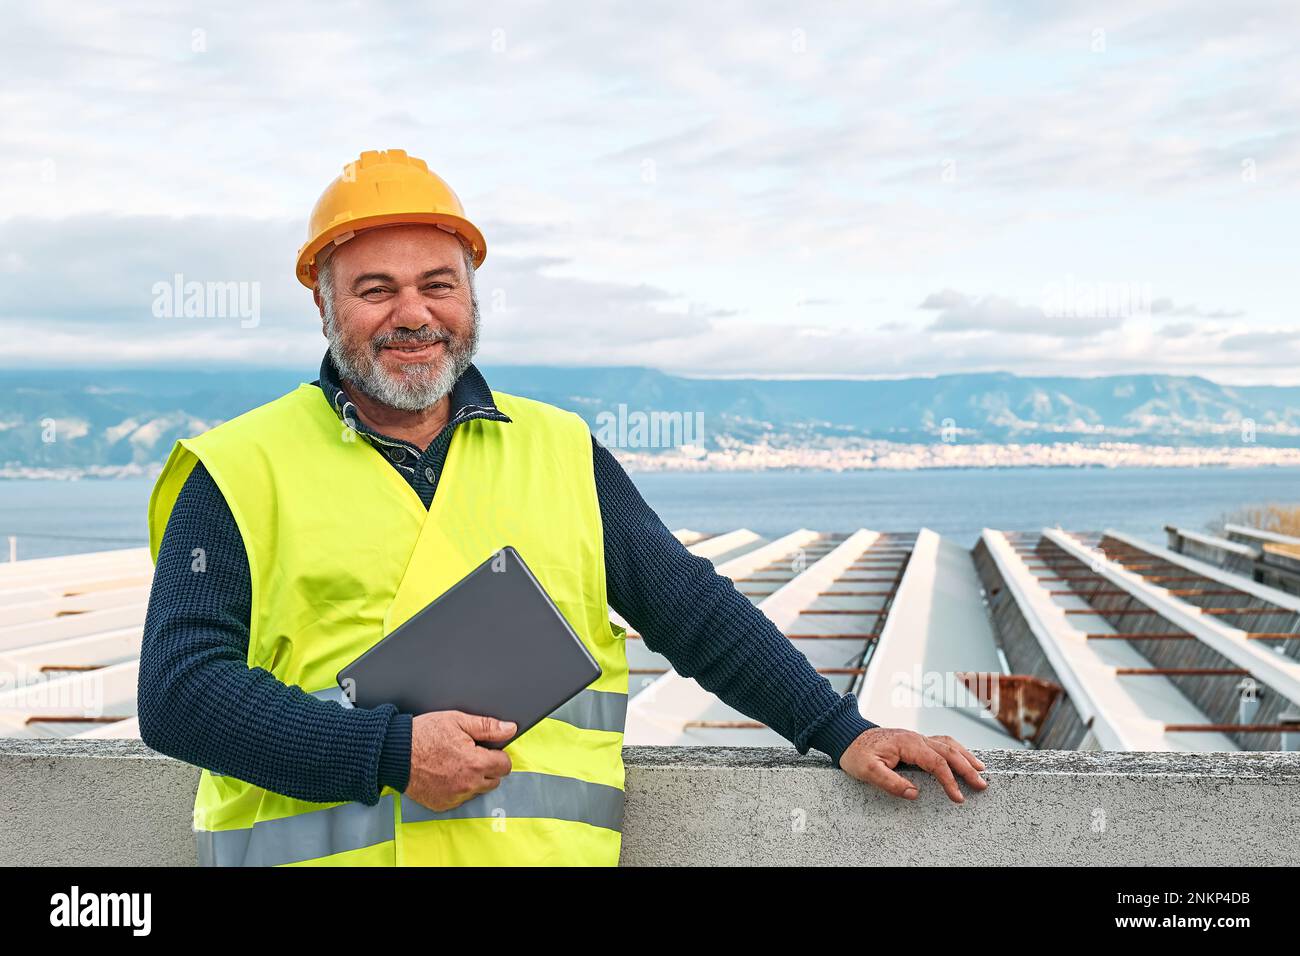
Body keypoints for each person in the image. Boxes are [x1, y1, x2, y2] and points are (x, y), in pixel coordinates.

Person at [138, 148, 987, 867]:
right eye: (375, 290)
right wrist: (388, 753)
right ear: (323, 305)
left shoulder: (560, 450)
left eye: (439, 284)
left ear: (471, 298)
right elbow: (178, 693)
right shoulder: (239, 469)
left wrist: (841, 728)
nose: (413, 314)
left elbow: (690, 609)